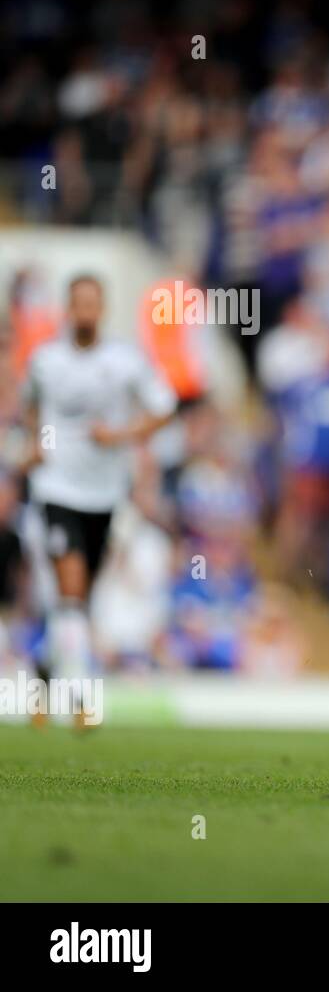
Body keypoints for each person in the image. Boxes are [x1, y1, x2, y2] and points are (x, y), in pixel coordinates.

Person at [19, 274, 178, 724]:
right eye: (78, 304)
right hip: (56, 489)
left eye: (93, 303)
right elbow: (30, 404)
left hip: (105, 494)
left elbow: (164, 409)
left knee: (80, 598)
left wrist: (122, 435)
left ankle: (47, 669)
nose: (85, 312)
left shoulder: (125, 361)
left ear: (102, 309)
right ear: (67, 309)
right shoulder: (45, 359)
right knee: (69, 585)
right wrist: (34, 444)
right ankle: (81, 695)